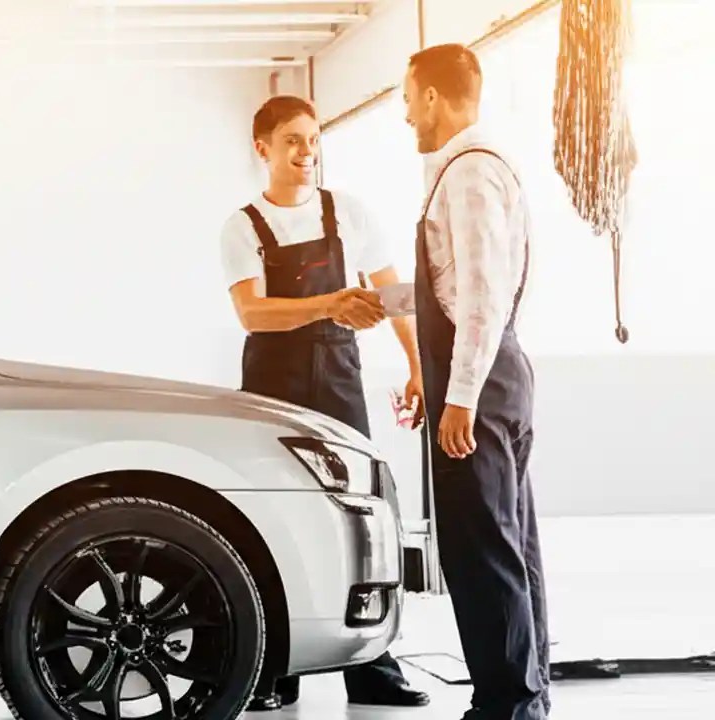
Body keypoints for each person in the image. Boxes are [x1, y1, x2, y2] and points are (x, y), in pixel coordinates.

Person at [220, 94, 430, 711]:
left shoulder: (350, 213)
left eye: (313, 139)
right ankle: (271, 674)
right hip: (273, 383)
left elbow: (395, 296)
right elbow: (253, 313)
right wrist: (330, 303)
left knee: (359, 517)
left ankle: (373, 669)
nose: (306, 151)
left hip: (340, 377)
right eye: (292, 140)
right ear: (262, 148)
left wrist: (419, 368)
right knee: (273, 518)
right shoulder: (244, 225)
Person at [401, 43, 550, 720]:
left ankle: (506, 706)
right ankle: (523, 700)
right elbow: (458, 283)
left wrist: (459, 398)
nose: (407, 114)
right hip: (497, 374)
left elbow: (484, 297)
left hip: (481, 387)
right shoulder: (479, 167)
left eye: (409, 99)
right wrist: (387, 302)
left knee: (482, 552)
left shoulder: (468, 172)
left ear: (433, 95)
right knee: (509, 547)